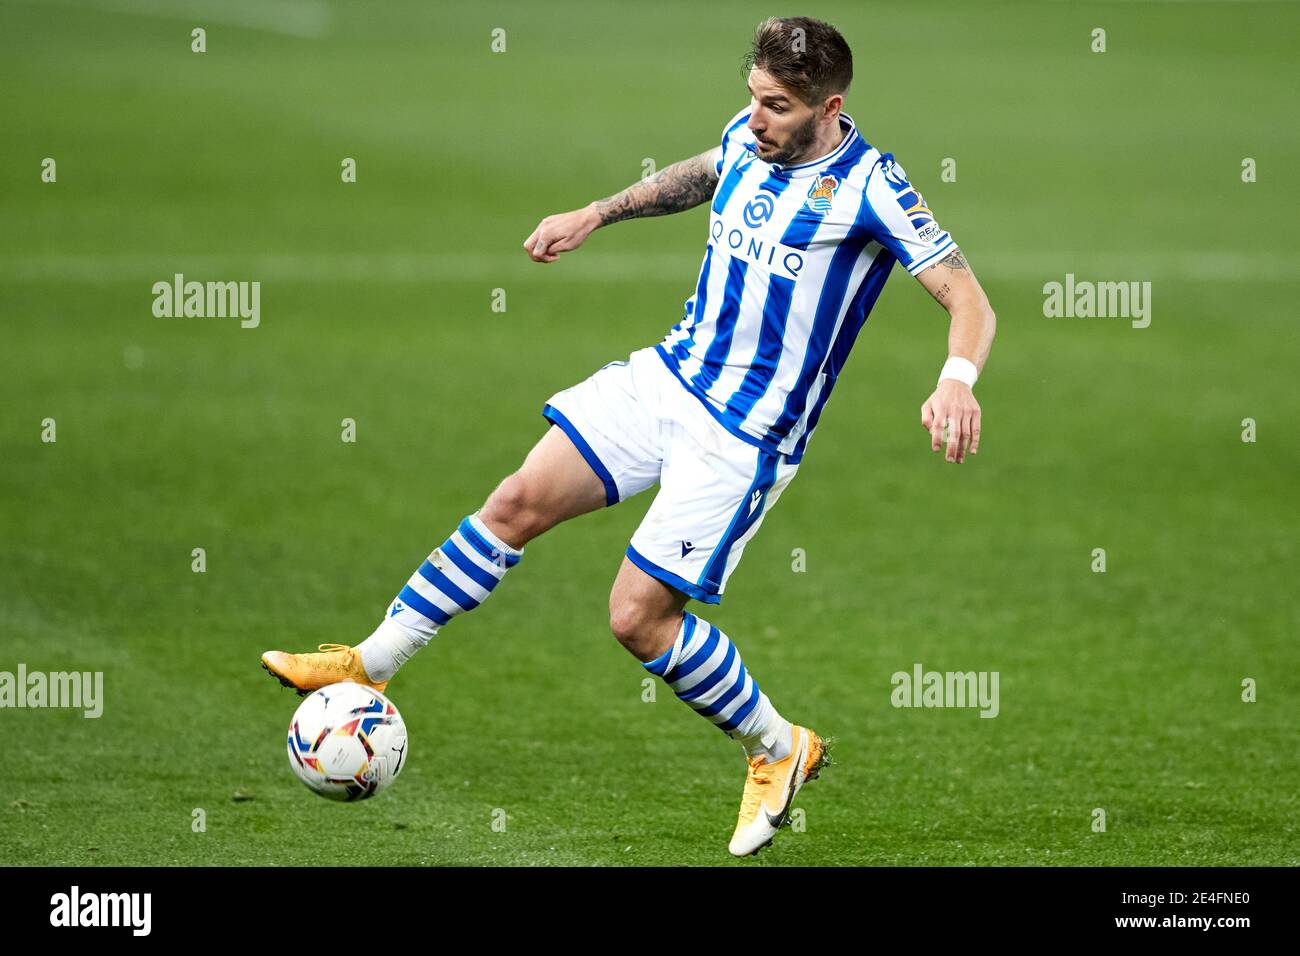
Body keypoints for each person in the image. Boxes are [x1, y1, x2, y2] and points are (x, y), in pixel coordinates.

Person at [262, 15, 997, 857]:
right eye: (753, 98)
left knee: (637, 620)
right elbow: (706, 172)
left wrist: (955, 380)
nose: (758, 118)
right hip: (668, 379)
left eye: (779, 107)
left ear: (829, 107)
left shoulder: (873, 186)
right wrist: (598, 213)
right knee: (515, 501)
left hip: (741, 437)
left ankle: (777, 746)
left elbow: (969, 300)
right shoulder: (752, 134)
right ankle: (371, 664)